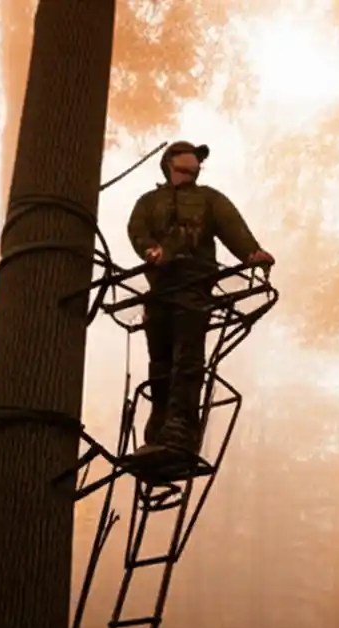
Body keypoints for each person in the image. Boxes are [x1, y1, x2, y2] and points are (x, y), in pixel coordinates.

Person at [126, 141, 274, 459]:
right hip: (161, 290)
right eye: (183, 170)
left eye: (194, 170)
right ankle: (158, 428)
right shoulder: (149, 202)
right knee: (161, 361)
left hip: (195, 288)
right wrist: (150, 249)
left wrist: (252, 253)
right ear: (168, 167)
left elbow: (233, 228)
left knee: (188, 359)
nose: (189, 175)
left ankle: (180, 430)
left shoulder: (209, 200)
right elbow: (136, 230)